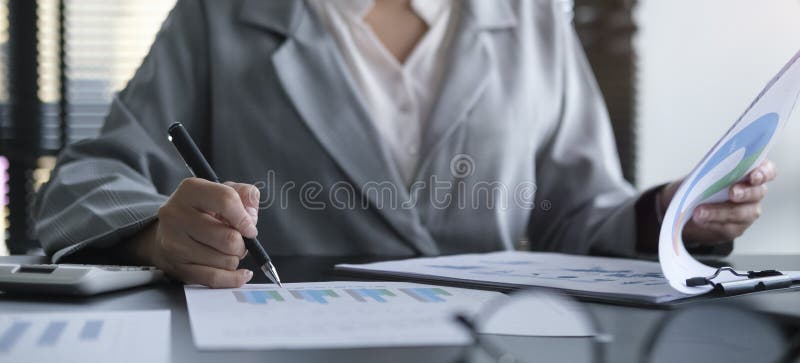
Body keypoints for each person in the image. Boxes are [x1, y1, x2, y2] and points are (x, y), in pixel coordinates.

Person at [32, 0, 776, 288]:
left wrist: (664, 214)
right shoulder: (220, 16)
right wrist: (160, 233)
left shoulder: (530, 18)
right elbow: (83, 180)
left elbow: (573, 212)